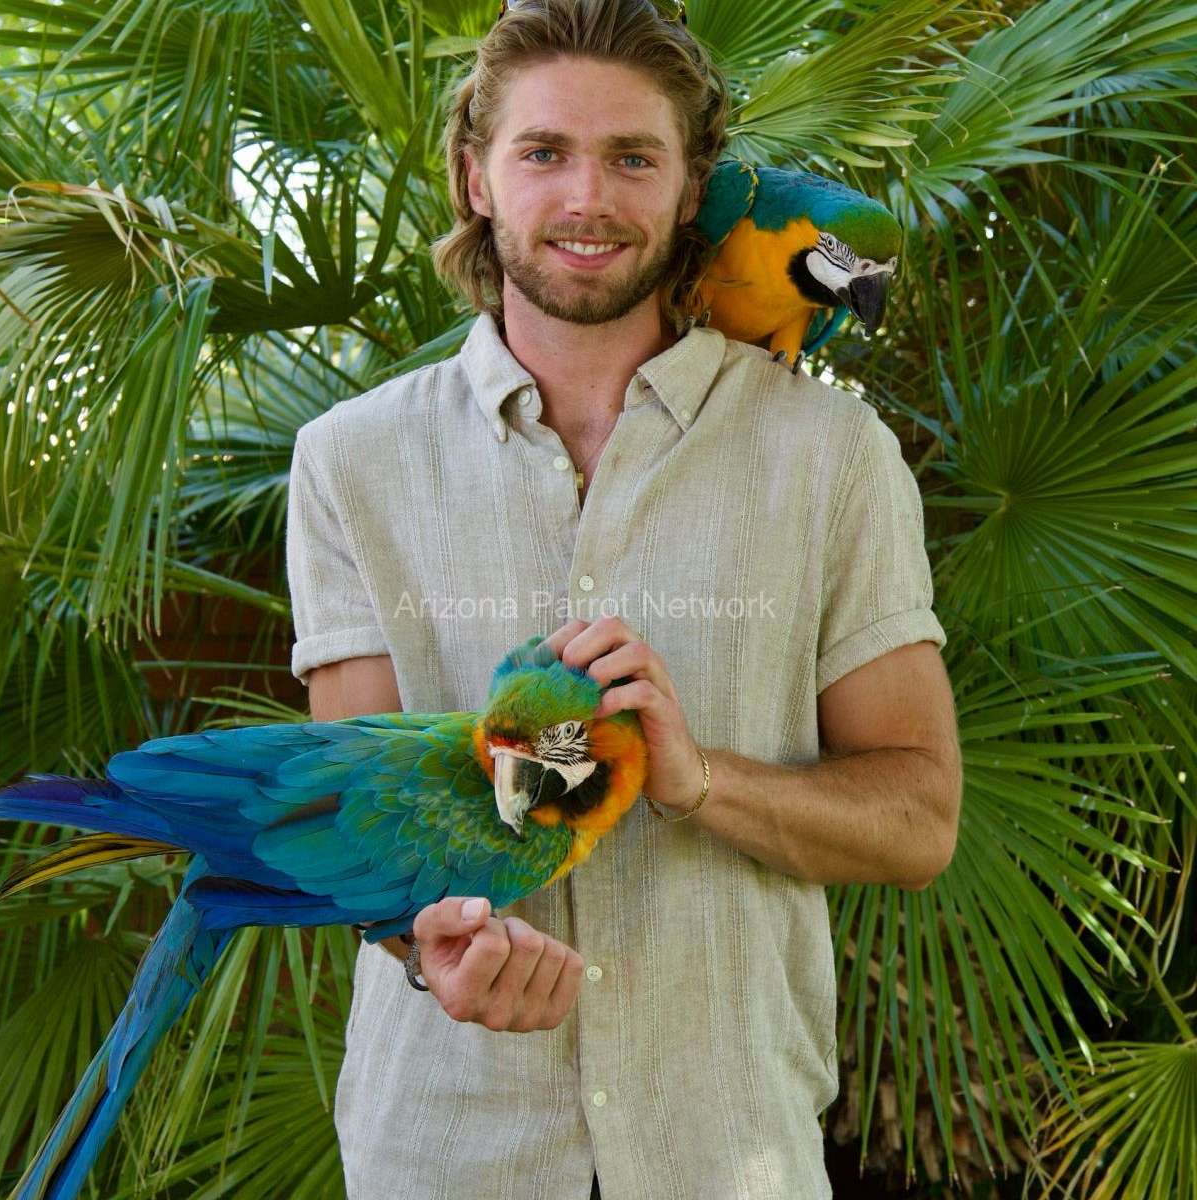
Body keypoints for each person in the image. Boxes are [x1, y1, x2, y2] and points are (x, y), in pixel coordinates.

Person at [284, 1, 962, 1197]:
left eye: (633, 157)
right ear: (475, 177)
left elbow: (919, 821)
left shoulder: (831, 457)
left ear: (694, 186)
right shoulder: (351, 461)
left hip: (731, 1148)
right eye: (544, 152)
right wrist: (421, 939)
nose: (588, 199)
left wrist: (702, 783)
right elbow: (353, 819)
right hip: (443, 1149)